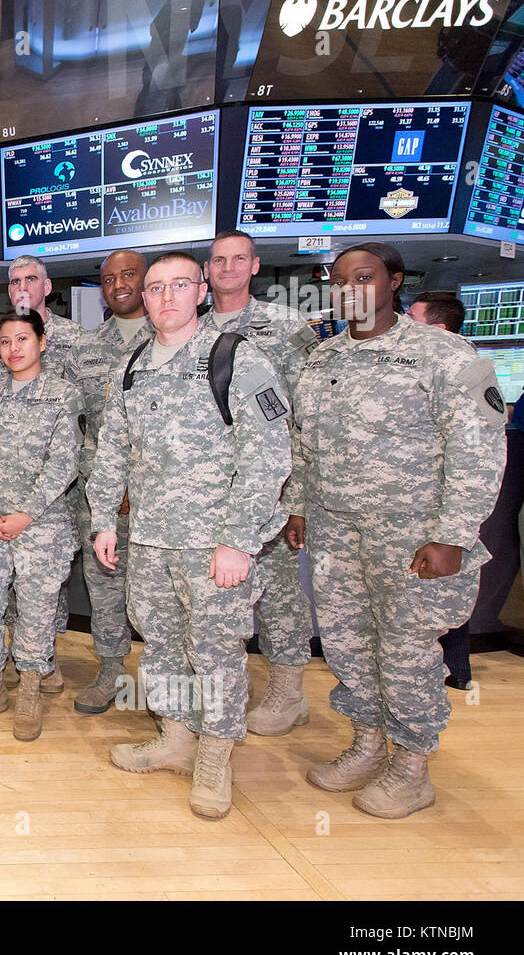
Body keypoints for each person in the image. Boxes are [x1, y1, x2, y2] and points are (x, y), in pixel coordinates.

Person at [286, 244, 505, 818]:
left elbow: (480, 447)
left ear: (396, 281)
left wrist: (454, 534)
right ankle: (366, 743)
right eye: (340, 281)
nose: (351, 289)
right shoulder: (322, 359)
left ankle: (411, 767)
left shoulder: (445, 354)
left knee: (407, 651)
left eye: (364, 277)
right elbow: (303, 446)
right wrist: (301, 506)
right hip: (337, 534)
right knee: (347, 644)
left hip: (413, 539)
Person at [89, 251, 291, 820]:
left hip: (214, 545)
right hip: (151, 539)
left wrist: (238, 540)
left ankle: (214, 759)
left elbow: (268, 456)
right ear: (145, 299)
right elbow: (113, 451)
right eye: (156, 288)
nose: (167, 297)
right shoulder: (133, 367)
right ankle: (175, 739)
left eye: (180, 285)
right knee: (161, 646)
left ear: (201, 290)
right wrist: (106, 518)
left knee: (218, 654)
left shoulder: (238, 359)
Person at [203, 230, 319, 736]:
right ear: (207, 270)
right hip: (206, 496)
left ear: (254, 266)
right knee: (217, 598)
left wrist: (295, 500)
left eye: (238, 259)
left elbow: (305, 417)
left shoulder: (285, 327)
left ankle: (288, 693)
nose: (227, 267)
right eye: (218, 260)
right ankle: (220, 692)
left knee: (278, 595)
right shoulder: (191, 327)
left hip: (268, 491)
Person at [0, 255, 95, 692]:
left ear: (47, 284)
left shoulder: (76, 342)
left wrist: (31, 511)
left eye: (30, 278)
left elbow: (83, 432)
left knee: (42, 594)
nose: (13, 348)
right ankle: (0, 669)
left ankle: (38, 666)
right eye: (14, 280)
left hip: (52, 502)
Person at [0, 310, 81, 740]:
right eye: (6, 342)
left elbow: (64, 462)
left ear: (42, 342)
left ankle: (30, 687)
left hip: (40, 527)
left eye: (23, 339)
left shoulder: (64, 396)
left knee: (37, 611)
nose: (13, 349)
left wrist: (27, 514)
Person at [69, 250, 153, 715]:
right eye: (107, 279)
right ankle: (112, 670)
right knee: (104, 585)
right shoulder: (87, 348)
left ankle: (169, 684)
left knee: (164, 591)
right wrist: (103, 485)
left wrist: (133, 484)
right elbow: (77, 425)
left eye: (128, 275)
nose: (118, 284)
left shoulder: (177, 341)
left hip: (166, 497)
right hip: (99, 495)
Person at [407, 291, 478, 691]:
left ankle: (454, 672)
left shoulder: (462, 367)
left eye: (412, 316)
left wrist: (453, 531)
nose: (403, 323)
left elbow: (476, 453)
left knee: (441, 597)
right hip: (426, 515)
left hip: (442, 514)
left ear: (438, 329)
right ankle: (455, 670)